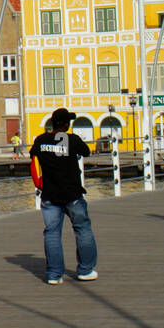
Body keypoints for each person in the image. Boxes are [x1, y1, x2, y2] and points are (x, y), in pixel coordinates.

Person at [28, 108, 98, 284]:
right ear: (66, 124)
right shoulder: (72, 139)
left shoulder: (40, 140)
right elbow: (86, 151)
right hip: (72, 193)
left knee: (52, 233)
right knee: (82, 229)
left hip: (50, 195)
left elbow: (33, 156)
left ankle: (54, 274)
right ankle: (85, 270)